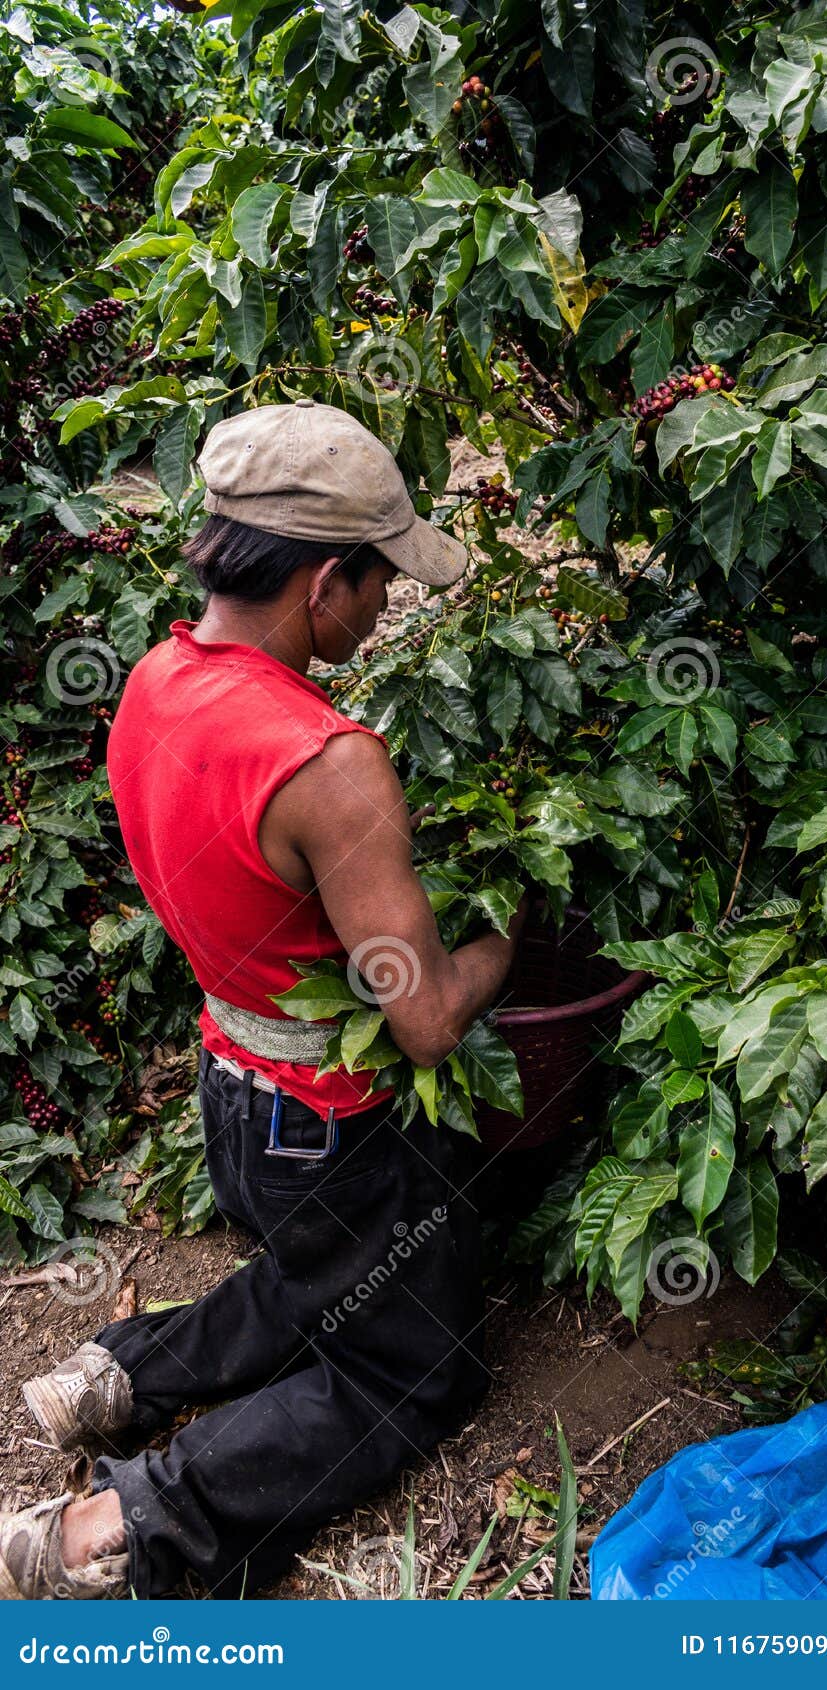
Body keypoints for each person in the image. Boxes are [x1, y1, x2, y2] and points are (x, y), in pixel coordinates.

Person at [0, 400, 527, 1600]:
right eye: (380, 581)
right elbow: (430, 1019)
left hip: (235, 1098)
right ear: (324, 581)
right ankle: (112, 1534)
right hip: (328, 1127)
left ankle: (119, 1378)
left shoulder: (150, 684)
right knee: (411, 1367)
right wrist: (513, 936)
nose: (388, 606)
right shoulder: (331, 763)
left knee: (321, 1268)